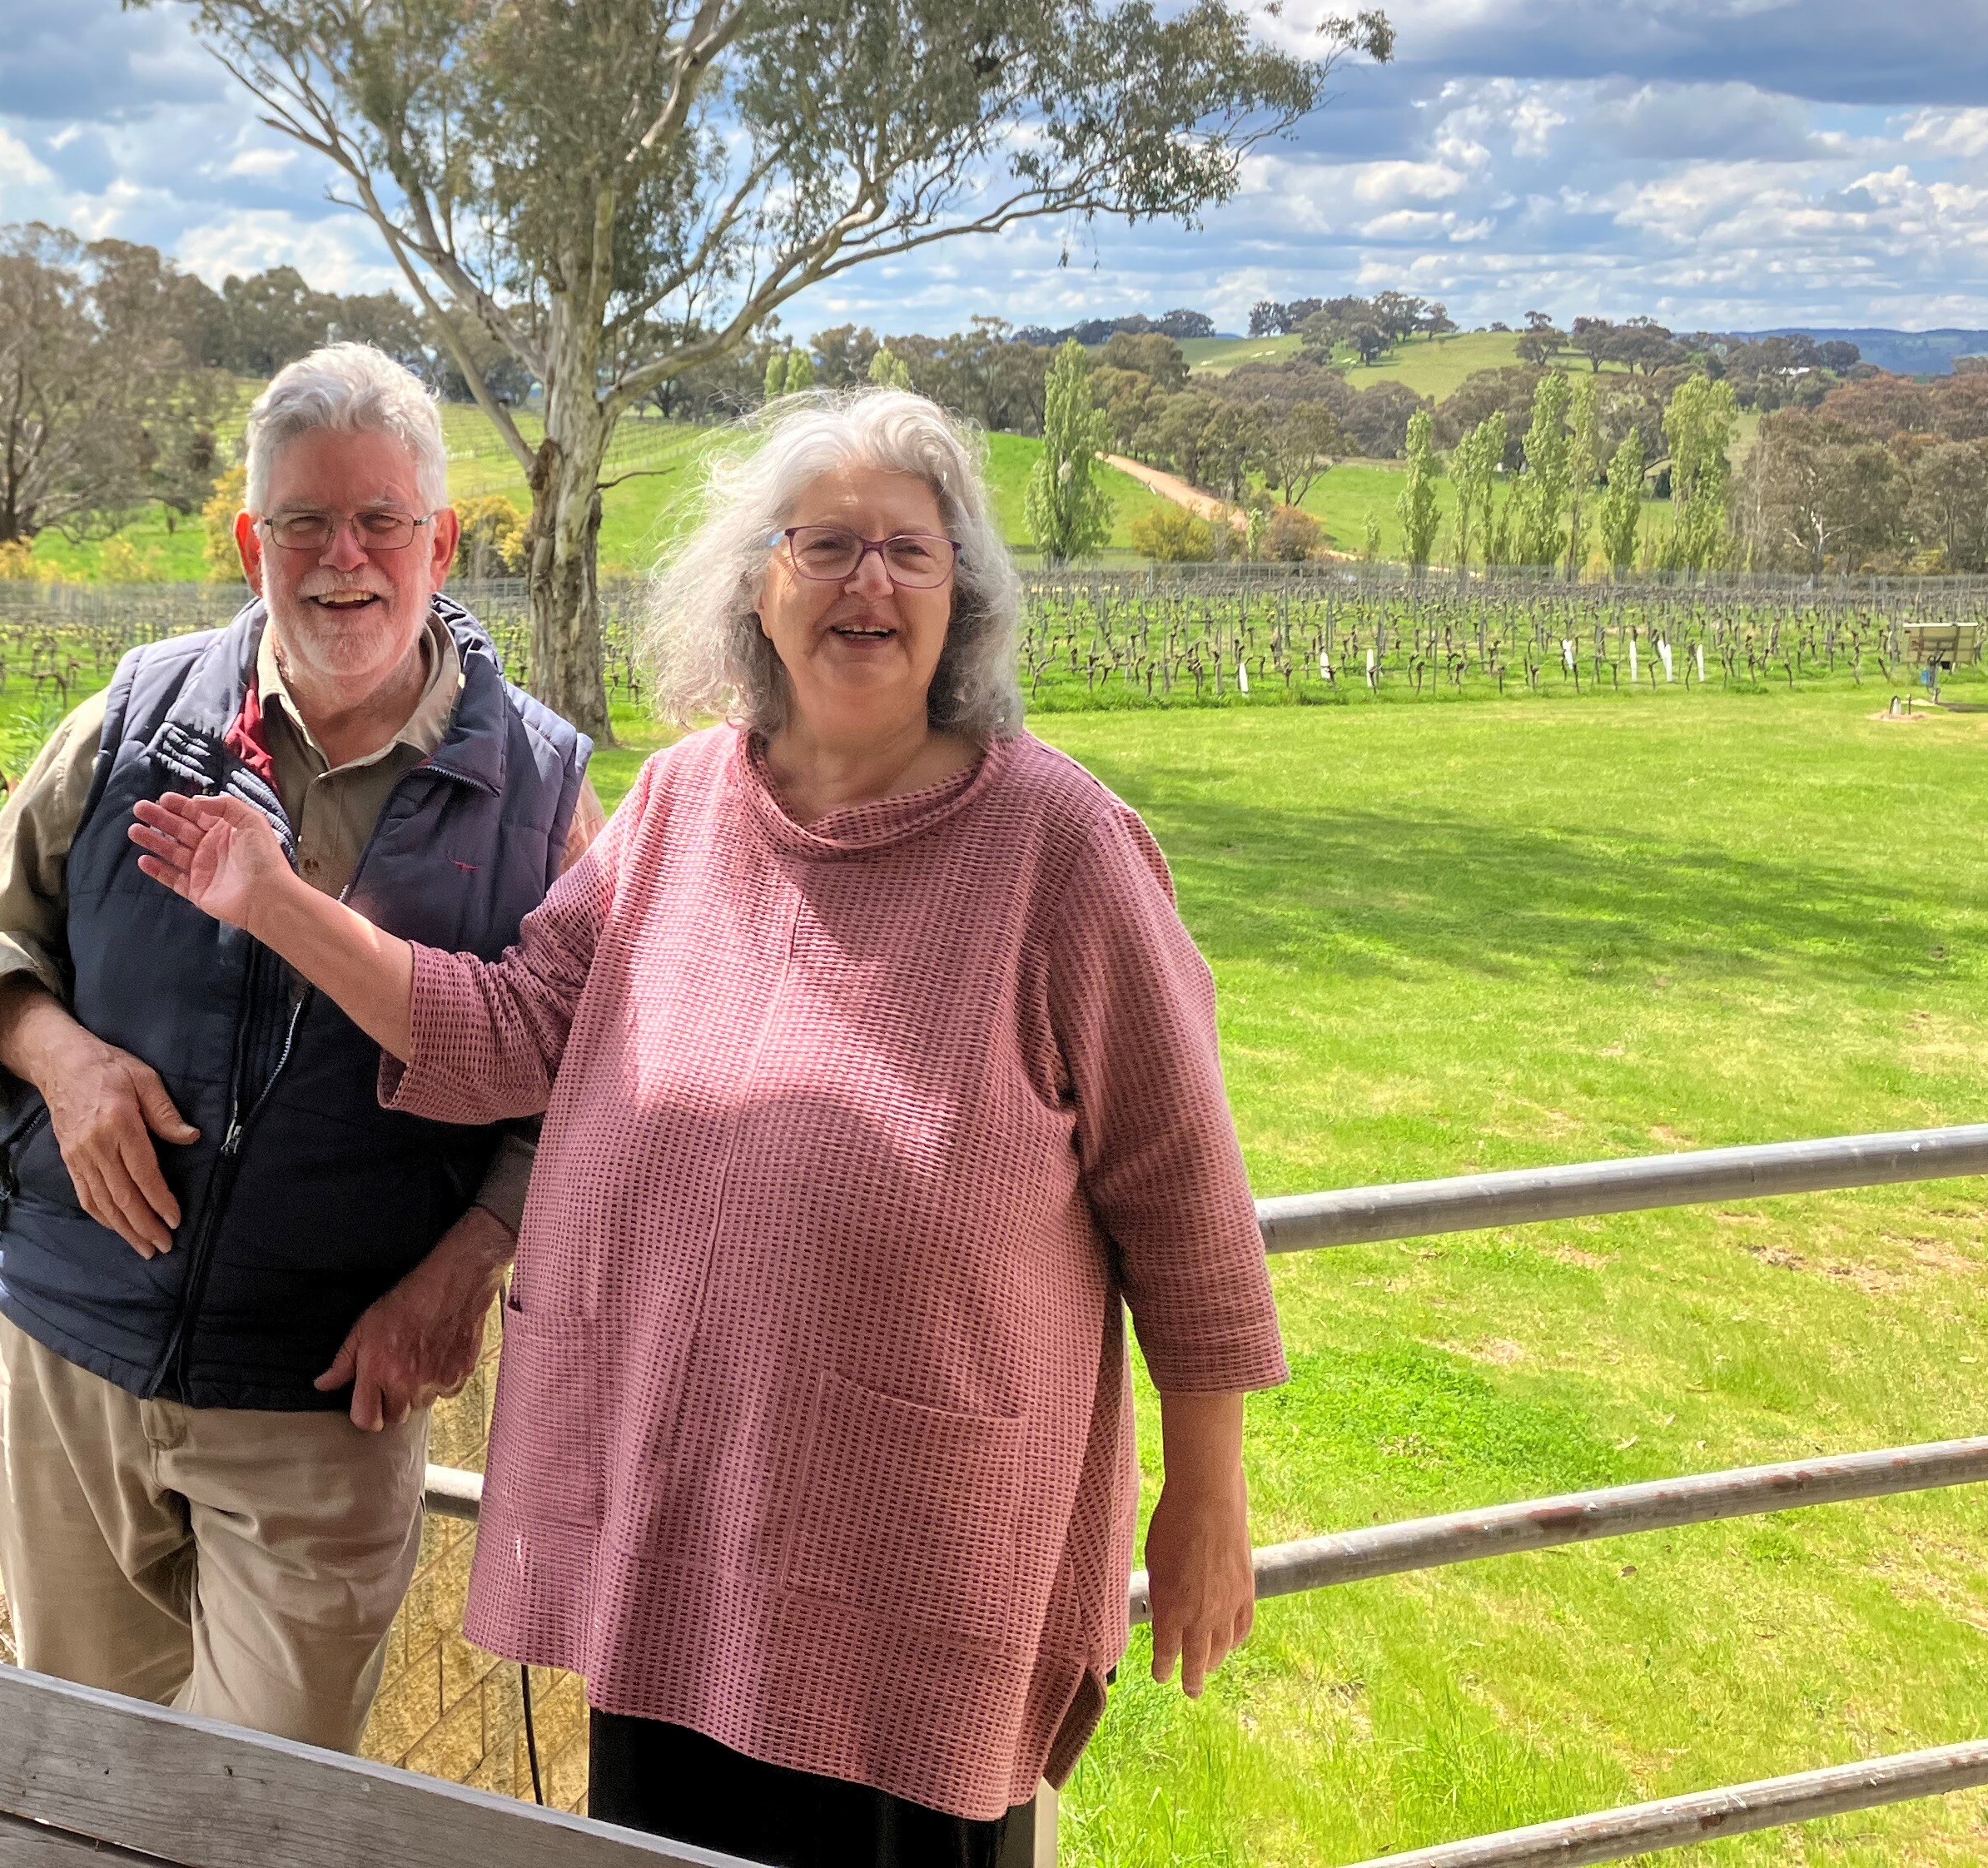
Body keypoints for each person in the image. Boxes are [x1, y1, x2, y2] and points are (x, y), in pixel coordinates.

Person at [126, 386, 1285, 1868]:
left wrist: (1208, 1491)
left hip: (914, 1561)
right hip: (677, 1529)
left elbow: (1184, 1196)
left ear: (966, 599)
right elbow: (504, 1034)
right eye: (823, 546)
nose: (867, 583)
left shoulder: (1058, 848)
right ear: (756, 585)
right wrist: (279, 906)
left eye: (909, 552)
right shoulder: (676, 809)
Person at [0, 342, 600, 1750]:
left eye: (381, 522)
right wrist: (60, 1057)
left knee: (266, 1815)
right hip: (73, 1358)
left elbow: (583, 1084)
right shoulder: (139, 713)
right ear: (251, 540)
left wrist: (468, 1263)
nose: (341, 558)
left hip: (323, 1404)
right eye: (302, 521)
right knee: (86, 1776)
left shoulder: (537, 789)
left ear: (443, 542)